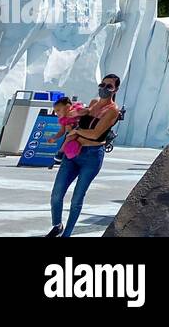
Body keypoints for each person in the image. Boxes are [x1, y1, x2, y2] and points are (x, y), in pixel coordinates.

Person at [46, 74, 121, 237]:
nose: (104, 89)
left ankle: (67, 234)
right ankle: (57, 225)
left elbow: (95, 134)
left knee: (77, 198)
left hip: (92, 156)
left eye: (109, 86)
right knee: (57, 193)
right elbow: (77, 118)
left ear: (116, 89)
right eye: (103, 85)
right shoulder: (93, 103)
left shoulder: (113, 111)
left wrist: (76, 131)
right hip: (74, 152)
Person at [50, 96, 84, 163]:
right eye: (55, 111)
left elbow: (86, 112)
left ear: (67, 107)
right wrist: (54, 138)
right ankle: (65, 154)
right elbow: (62, 131)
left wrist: (77, 113)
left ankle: (61, 152)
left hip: (82, 129)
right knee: (69, 136)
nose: (57, 113)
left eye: (58, 110)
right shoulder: (63, 120)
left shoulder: (76, 109)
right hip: (73, 133)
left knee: (70, 136)